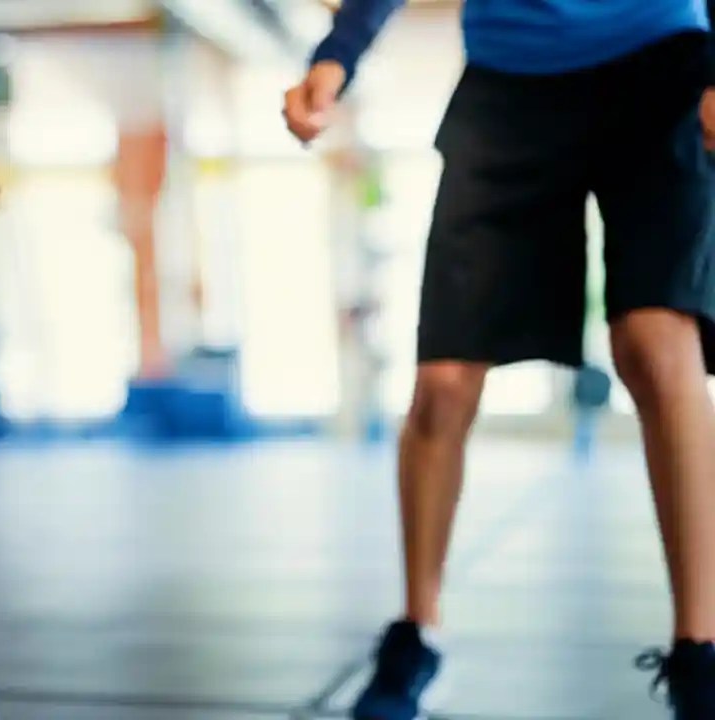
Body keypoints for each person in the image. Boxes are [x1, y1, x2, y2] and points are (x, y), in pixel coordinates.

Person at [284, 2, 715, 719]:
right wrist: (337, 55)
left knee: (654, 341)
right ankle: (417, 635)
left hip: (660, 61)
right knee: (443, 382)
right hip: (508, 82)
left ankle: (699, 652)